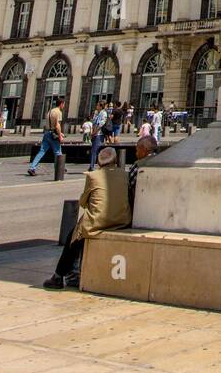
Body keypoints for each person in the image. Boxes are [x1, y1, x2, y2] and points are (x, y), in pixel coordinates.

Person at [43, 147, 131, 290]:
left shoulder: (93, 176)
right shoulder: (124, 175)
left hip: (99, 221)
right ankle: (73, 274)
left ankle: (59, 276)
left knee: (73, 238)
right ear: (115, 160)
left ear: (99, 161)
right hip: (122, 220)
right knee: (77, 234)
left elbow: (83, 202)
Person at [27, 96, 65, 175]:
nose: (63, 106)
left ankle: (32, 167)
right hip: (53, 135)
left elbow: (50, 124)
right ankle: (59, 168)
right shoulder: (58, 112)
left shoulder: (50, 111)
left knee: (41, 151)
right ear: (61, 104)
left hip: (47, 133)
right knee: (58, 152)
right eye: (63, 104)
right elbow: (57, 125)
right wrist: (60, 135)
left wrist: (59, 132)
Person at [128, 135, 156, 217]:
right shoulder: (162, 161)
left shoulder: (138, 165)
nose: (136, 154)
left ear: (144, 150)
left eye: (137, 150)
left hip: (140, 208)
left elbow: (129, 185)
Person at [89, 98, 109, 169]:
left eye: (97, 105)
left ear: (101, 106)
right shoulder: (97, 113)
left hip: (99, 134)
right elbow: (94, 123)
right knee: (94, 151)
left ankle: (92, 166)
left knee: (95, 151)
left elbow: (101, 124)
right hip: (95, 134)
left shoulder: (103, 113)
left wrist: (94, 132)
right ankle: (92, 166)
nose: (96, 107)